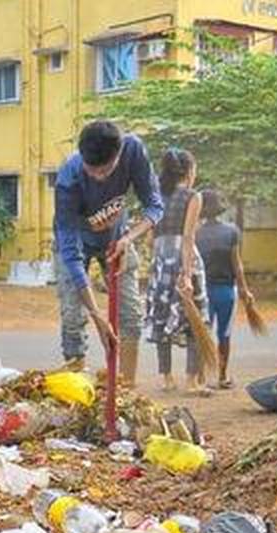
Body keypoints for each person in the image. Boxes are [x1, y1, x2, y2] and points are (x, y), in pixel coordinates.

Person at [54, 120, 164, 386]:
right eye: (93, 171)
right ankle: (76, 385)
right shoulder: (68, 178)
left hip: (118, 240)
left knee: (131, 316)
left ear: (119, 154)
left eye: (106, 170)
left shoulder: (133, 151)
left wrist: (129, 237)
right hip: (74, 241)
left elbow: (155, 206)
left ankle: (125, 390)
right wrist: (97, 315)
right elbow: (70, 253)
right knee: (72, 315)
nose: (100, 177)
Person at [144, 149, 209, 395]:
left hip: (161, 264)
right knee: (194, 319)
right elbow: (188, 236)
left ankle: (167, 379)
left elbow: (150, 239)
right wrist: (186, 273)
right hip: (184, 261)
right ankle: (191, 381)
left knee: (161, 318)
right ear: (189, 171)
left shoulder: (156, 197)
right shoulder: (193, 196)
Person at [196, 189, 253, 389]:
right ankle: (222, 376)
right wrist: (245, 290)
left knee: (204, 334)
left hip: (203, 292)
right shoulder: (231, 231)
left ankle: (201, 378)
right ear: (220, 209)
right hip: (226, 291)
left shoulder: (196, 233)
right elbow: (237, 264)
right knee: (224, 334)